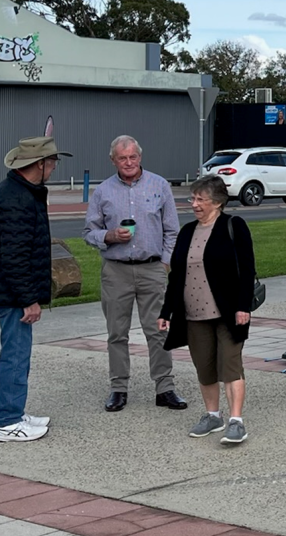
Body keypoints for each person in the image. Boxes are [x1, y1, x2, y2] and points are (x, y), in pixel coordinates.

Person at [83, 135, 187, 413]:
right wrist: (109, 236)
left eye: (132, 157)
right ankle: (118, 388)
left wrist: (164, 263)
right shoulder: (103, 191)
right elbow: (88, 232)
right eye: (122, 158)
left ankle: (165, 388)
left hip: (152, 268)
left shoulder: (159, 185)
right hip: (116, 271)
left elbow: (172, 231)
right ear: (113, 160)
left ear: (140, 157)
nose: (128, 163)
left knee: (158, 330)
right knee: (117, 333)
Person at [0, 135, 70, 442]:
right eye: (53, 161)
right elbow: (14, 256)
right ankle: (7, 422)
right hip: (13, 293)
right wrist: (29, 300)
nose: (55, 167)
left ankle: (15, 412)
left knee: (19, 354)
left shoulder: (22, 192)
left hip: (12, 290)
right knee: (15, 356)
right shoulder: (15, 199)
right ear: (39, 164)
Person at [158, 175, 256, 445]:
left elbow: (247, 270)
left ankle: (236, 421)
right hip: (193, 314)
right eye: (193, 199)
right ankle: (213, 416)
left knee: (230, 366)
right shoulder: (188, 231)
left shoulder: (233, 225)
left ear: (217, 202)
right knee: (205, 368)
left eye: (200, 199)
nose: (194, 204)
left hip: (228, 312)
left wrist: (243, 306)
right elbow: (176, 276)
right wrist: (166, 312)